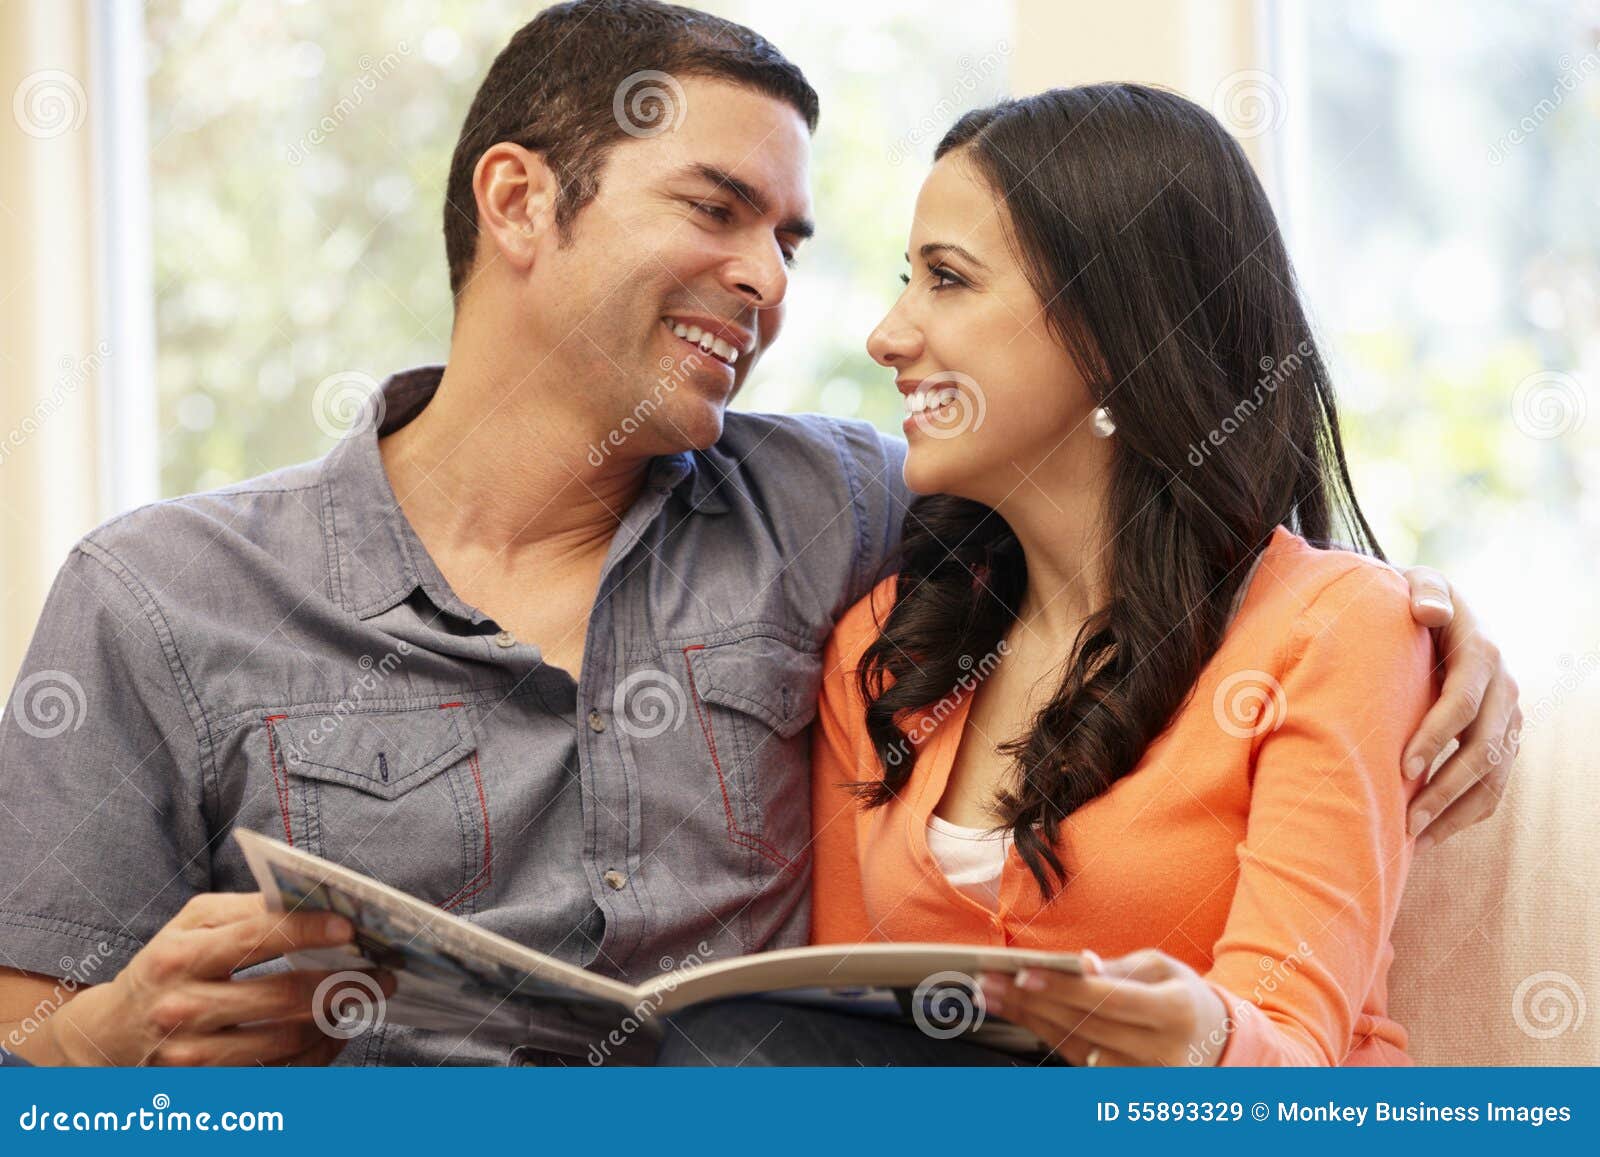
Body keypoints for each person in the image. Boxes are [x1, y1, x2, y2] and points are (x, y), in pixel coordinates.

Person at [0, 2, 1517, 1067]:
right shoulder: (158, 599)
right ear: (520, 203)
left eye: (789, 237)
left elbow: (1145, 518)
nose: (781, 288)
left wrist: (1432, 628)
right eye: (716, 208)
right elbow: (29, 1061)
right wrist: (96, 1049)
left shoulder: (838, 512)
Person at [808, 83, 1457, 1066]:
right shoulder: (884, 643)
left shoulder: (1334, 631)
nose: (888, 335)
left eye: (946, 279)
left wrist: (1200, 1036)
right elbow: (834, 1031)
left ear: (1112, 325)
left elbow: (1297, 1051)